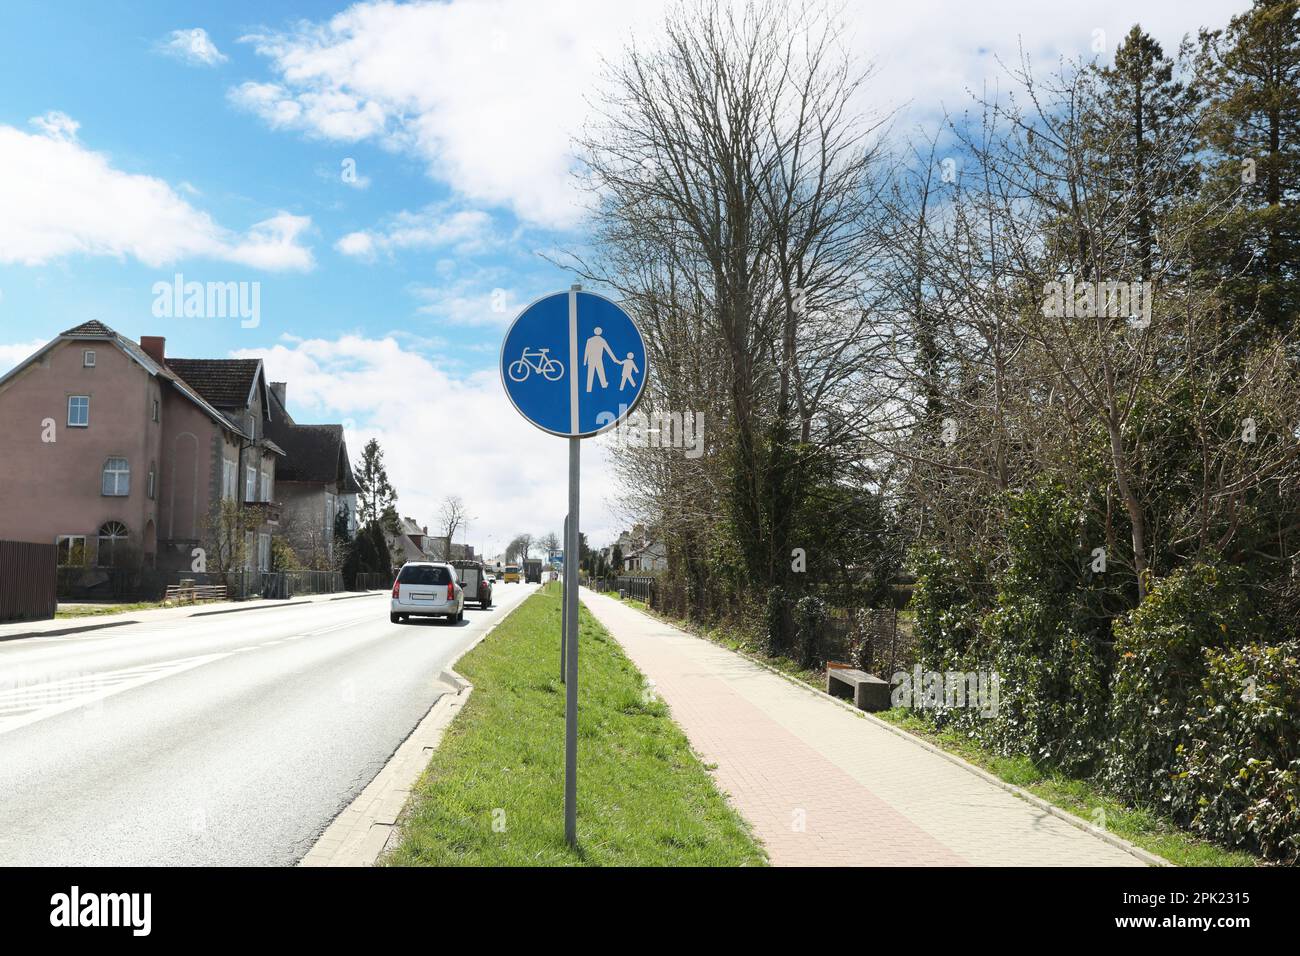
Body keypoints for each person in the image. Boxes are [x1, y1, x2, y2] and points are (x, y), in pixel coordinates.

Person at [583, 327, 618, 392]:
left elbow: (586, 351)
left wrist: (585, 361)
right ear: (600, 332)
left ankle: (588, 388)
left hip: (591, 360)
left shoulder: (589, 340)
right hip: (598, 359)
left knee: (590, 374)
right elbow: (608, 350)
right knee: (601, 372)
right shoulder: (602, 340)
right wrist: (614, 359)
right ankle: (604, 384)